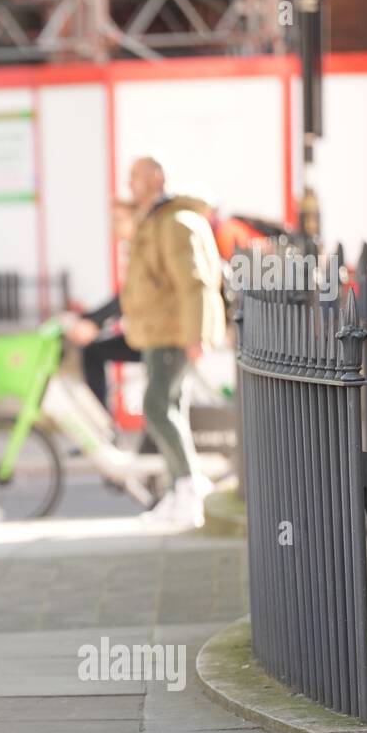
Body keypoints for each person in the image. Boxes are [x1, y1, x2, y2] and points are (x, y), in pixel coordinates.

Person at [118, 156, 225, 526]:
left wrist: (194, 335)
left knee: (157, 406)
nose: (130, 184)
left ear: (157, 178)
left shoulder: (175, 222)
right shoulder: (155, 221)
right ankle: (179, 490)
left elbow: (193, 282)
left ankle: (189, 487)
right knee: (170, 406)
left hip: (173, 332)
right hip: (158, 331)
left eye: (136, 177)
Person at [66, 198, 142, 412]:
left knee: (93, 352)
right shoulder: (134, 248)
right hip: (149, 332)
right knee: (93, 351)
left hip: (159, 337)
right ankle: (102, 425)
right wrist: (89, 318)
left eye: (118, 220)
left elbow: (129, 299)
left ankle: (102, 426)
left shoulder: (143, 250)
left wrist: (93, 322)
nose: (113, 226)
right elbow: (125, 297)